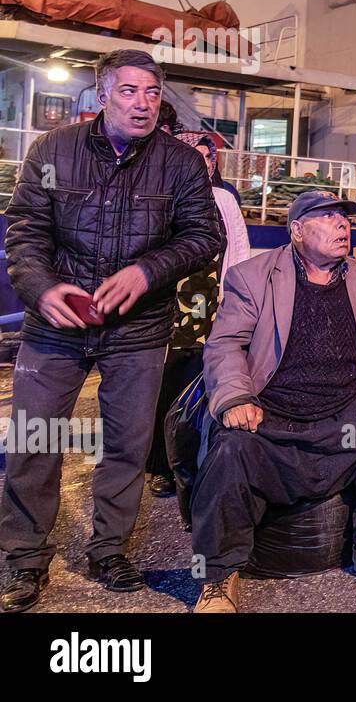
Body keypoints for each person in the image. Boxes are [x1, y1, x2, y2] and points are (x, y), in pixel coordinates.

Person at [0, 49, 222, 613]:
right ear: (101, 96)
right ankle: (25, 557)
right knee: (33, 440)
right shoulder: (52, 151)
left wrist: (147, 271)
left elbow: (204, 236)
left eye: (152, 93)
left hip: (139, 329)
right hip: (56, 326)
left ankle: (109, 549)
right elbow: (25, 232)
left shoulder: (180, 164)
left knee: (124, 447)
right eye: (128, 91)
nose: (142, 103)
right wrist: (42, 287)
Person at [190, 191, 356, 612]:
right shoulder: (252, 277)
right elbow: (224, 345)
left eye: (345, 219)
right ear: (296, 231)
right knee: (230, 447)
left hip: (345, 416)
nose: (342, 225)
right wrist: (236, 397)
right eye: (328, 218)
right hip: (273, 414)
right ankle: (219, 576)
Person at [145, 132, 251, 499]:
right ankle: (160, 465)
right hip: (164, 302)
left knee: (201, 381)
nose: (206, 161)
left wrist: (235, 299)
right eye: (197, 155)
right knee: (163, 382)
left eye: (210, 156)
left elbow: (239, 250)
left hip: (208, 304)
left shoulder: (223, 199)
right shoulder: (160, 195)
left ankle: (196, 458)